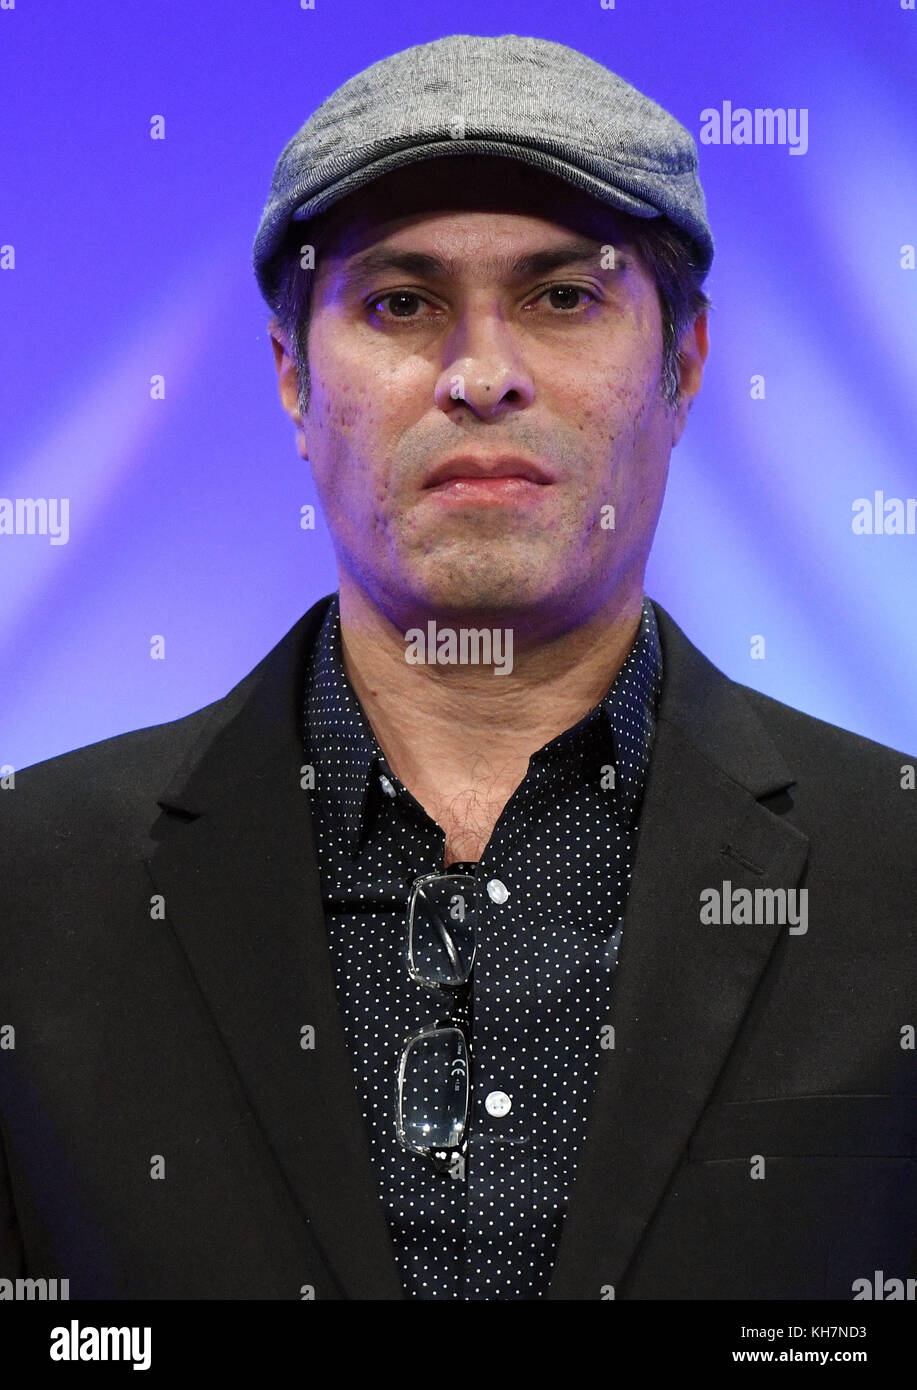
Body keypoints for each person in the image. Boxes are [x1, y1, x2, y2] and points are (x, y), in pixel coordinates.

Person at [1, 34, 915, 1302]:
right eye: (399, 303)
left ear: (685, 366)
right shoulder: (29, 885)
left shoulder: (897, 869)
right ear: (289, 381)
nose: (481, 375)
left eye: (561, 296)